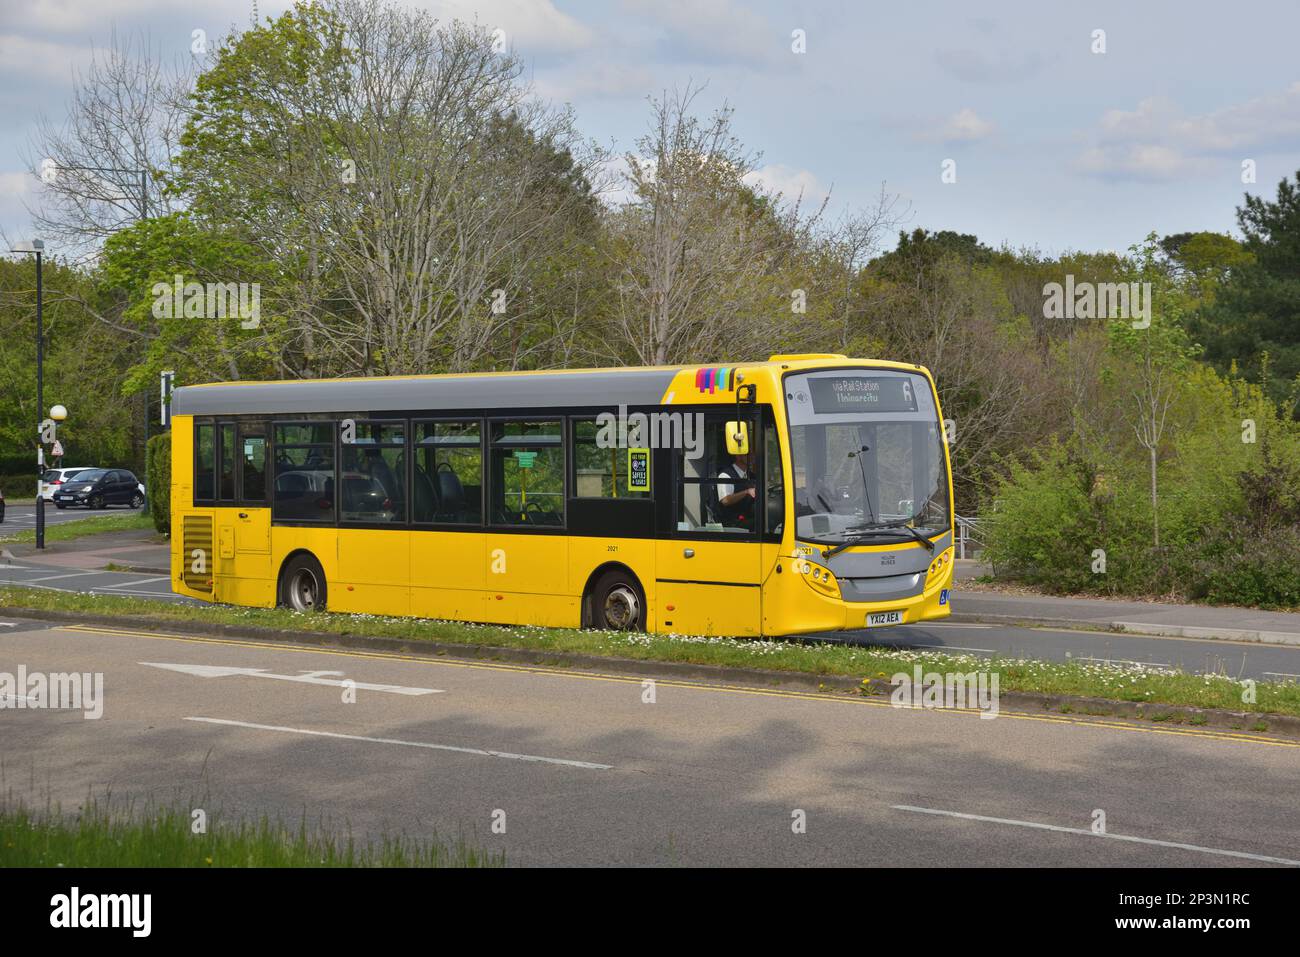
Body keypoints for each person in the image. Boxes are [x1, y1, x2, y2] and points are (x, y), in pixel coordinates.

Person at [714, 448, 756, 527]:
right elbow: (725, 500)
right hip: (733, 523)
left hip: (750, 519)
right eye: (748, 454)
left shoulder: (752, 476)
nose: (752, 456)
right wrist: (746, 492)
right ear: (738, 456)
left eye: (752, 454)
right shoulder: (726, 475)